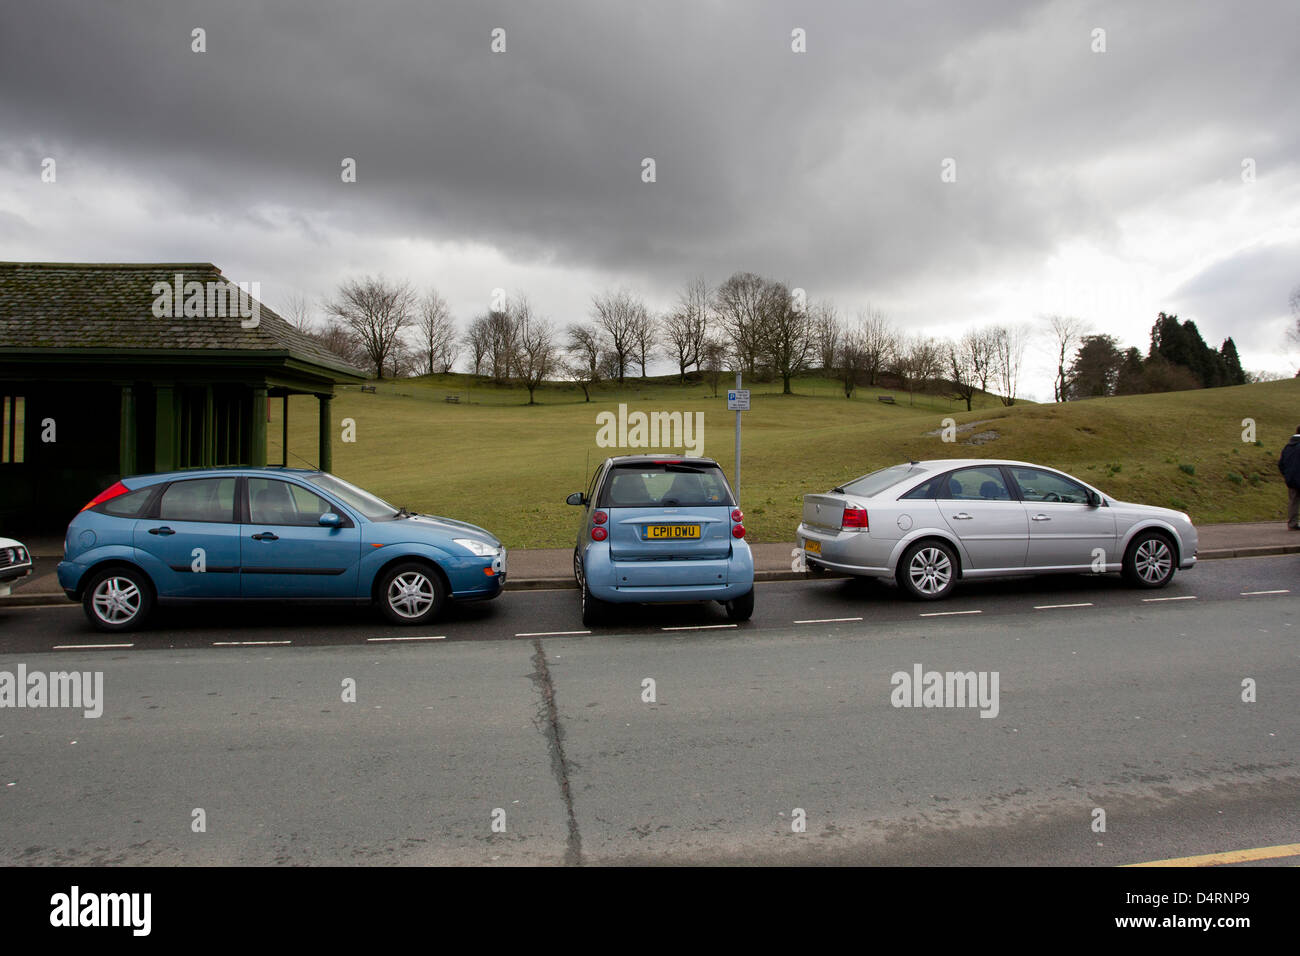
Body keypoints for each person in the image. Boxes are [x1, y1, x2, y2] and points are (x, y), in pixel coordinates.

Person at [1279, 425, 1300, 530]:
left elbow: (1281, 464)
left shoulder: (1288, 447)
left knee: (1293, 501)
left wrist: (1287, 475)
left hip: (1291, 479)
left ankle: (1292, 523)